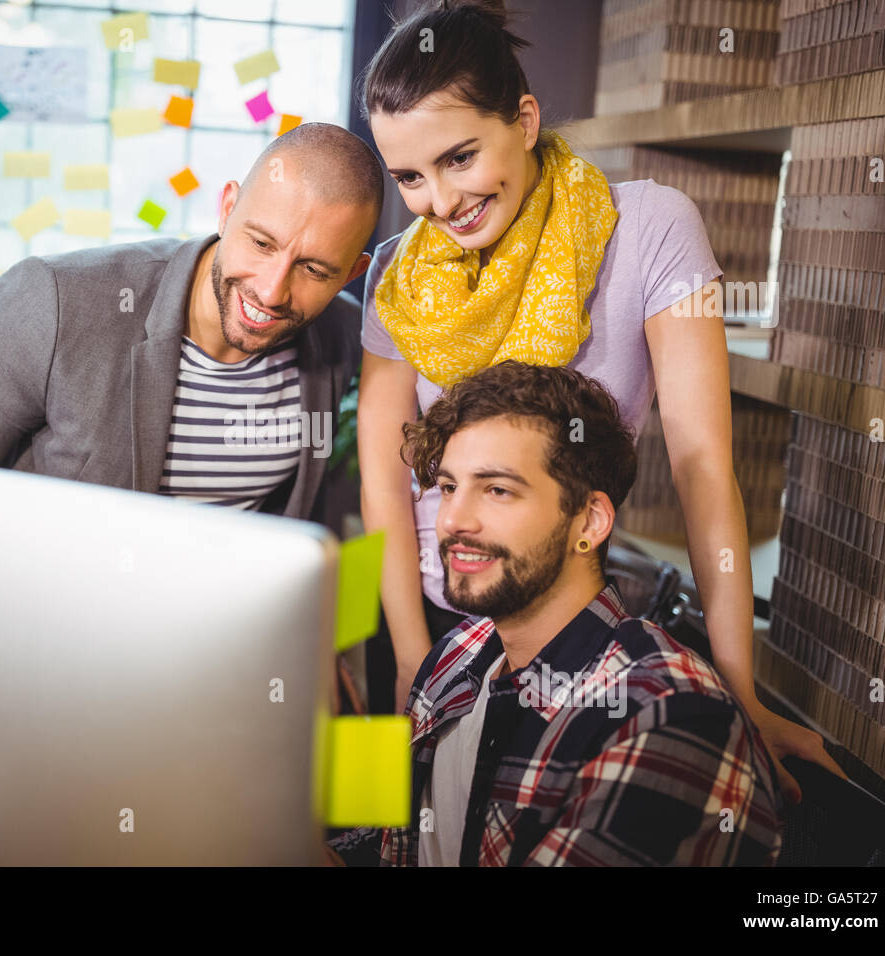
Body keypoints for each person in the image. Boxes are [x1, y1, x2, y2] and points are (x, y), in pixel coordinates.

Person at [353, 0, 841, 799]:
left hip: (561, 630)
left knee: (528, 838)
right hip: (414, 619)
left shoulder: (649, 224)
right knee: (374, 830)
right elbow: (382, 475)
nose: (439, 202)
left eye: (460, 157)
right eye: (409, 176)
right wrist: (412, 658)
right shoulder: (396, 273)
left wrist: (736, 683)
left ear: (525, 117)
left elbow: (701, 462)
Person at [328, 361, 784, 866]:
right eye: (449, 488)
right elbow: (394, 844)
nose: (453, 520)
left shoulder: (668, 714)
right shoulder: (458, 655)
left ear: (589, 520)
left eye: (498, 490)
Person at [0, 123, 381, 523]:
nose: (273, 291)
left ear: (351, 273)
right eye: (261, 244)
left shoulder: (342, 334)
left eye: (314, 270)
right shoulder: (53, 301)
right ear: (228, 207)